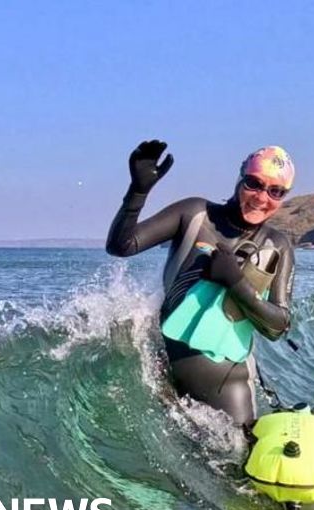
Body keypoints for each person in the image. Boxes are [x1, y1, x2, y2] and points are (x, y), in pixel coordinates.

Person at [106, 140, 295, 426]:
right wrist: (138, 191)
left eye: (275, 191)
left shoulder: (277, 246)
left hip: (228, 383)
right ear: (240, 177)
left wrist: (236, 282)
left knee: (234, 456)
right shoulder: (194, 214)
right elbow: (121, 246)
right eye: (254, 184)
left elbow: (278, 326)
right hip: (161, 367)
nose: (261, 197)